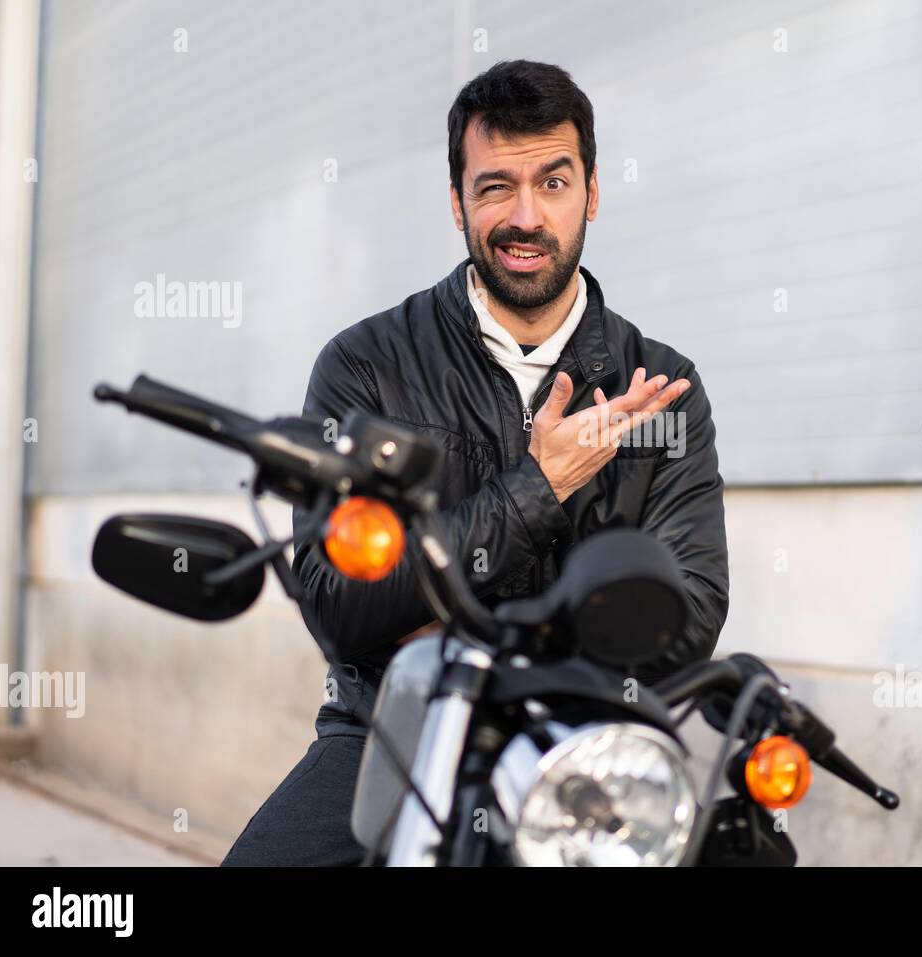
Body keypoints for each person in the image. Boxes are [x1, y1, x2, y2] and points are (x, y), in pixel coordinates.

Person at [222, 59, 729, 866]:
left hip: (589, 738)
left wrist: (443, 619)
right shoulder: (366, 367)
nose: (526, 216)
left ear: (592, 192)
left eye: (554, 183)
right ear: (457, 200)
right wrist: (541, 487)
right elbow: (340, 608)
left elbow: (689, 617)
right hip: (393, 726)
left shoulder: (657, 388)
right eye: (496, 187)